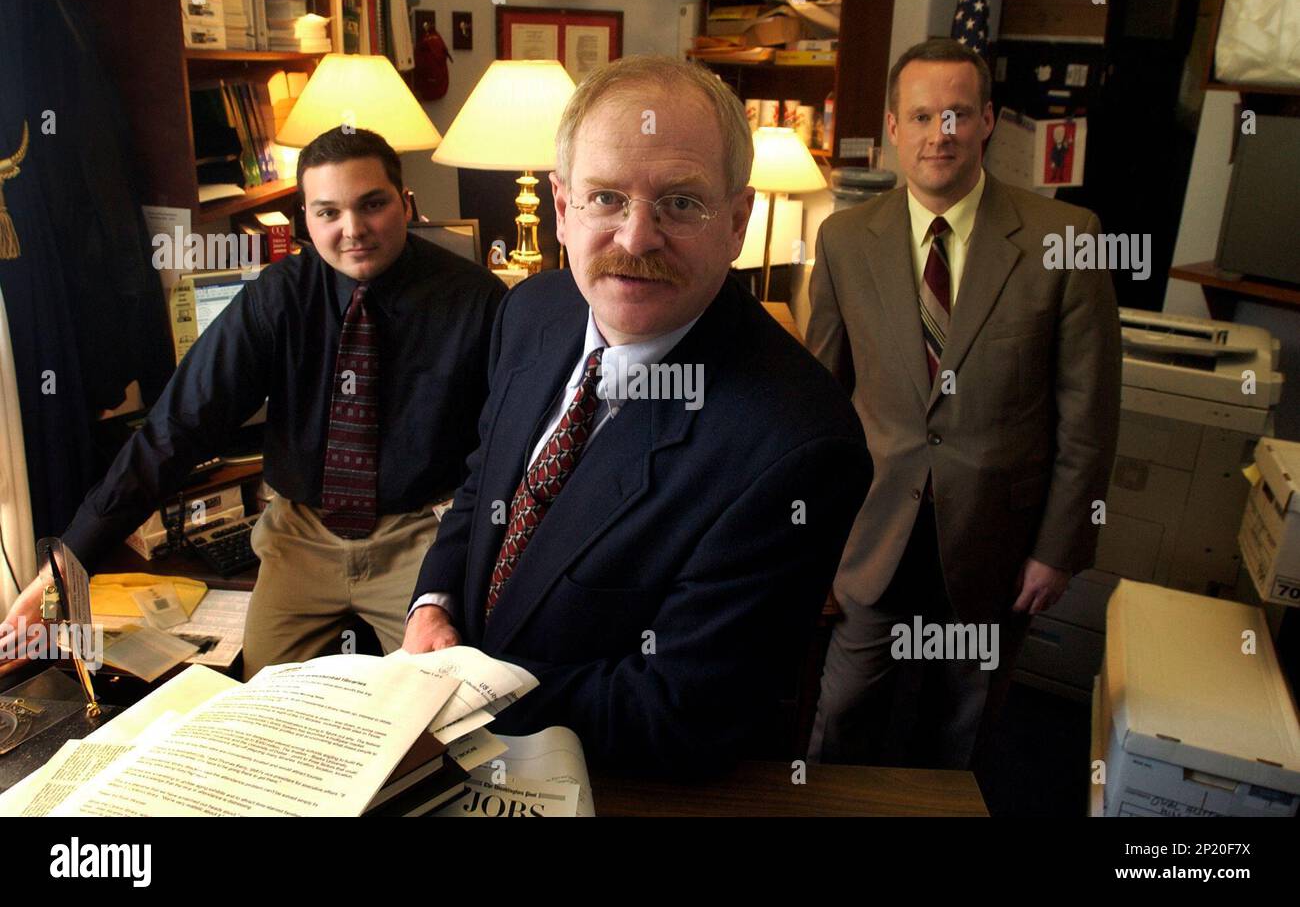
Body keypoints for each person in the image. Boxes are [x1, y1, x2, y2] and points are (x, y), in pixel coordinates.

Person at [402, 55, 872, 774]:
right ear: (562, 207)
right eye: (606, 198)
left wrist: (466, 695)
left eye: (681, 203)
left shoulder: (800, 444)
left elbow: (683, 710)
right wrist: (432, 603)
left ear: (738, 220)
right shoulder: (530, 312)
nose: (636, 237)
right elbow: (482, 486)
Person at [0, 127, 505, 680]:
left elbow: (503, 454)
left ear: (405, 202)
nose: (353, 230)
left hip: (419, 533)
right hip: (301, 536)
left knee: (445, 706)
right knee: (260, 708)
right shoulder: (276, 296)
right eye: (328, 212)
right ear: (304, 218)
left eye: (372, 205)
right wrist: (63, 571)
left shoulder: (478, 300)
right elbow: (175, 430)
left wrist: (448, 576)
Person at [807, 39, 1121, 768]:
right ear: (893, 127)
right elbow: (820, 403)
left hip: (997, 542)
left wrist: (1058, 548)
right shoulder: (845, 239)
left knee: (959, 725)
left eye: (955, 114)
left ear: (987, 120)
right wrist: (810, 528)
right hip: (875, 530)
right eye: (921, 116)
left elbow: (1090, 415)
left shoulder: (1066, 239)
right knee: (843, 714)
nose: (937, 133)